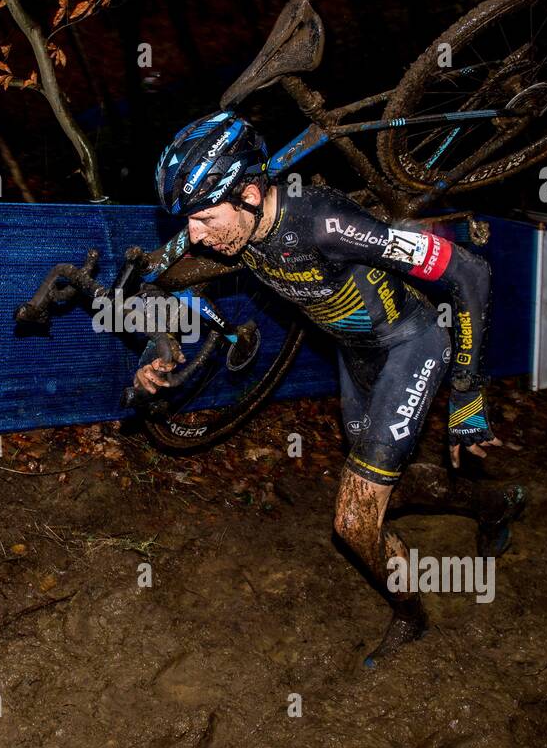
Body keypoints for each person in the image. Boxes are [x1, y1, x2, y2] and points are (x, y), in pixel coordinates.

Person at [138, 111, 525, 666]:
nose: (192, 235)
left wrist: (467, 396)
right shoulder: (229, 229)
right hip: (359, 356)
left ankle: (411, 617)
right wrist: (159, 346)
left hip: (411, 346)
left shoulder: (325, 223)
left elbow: (469, 272)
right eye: (188, 221)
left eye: (201, 218)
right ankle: (495, 504)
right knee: (401, 484)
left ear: (250, 193)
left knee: (353, 520)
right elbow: (156, 281)